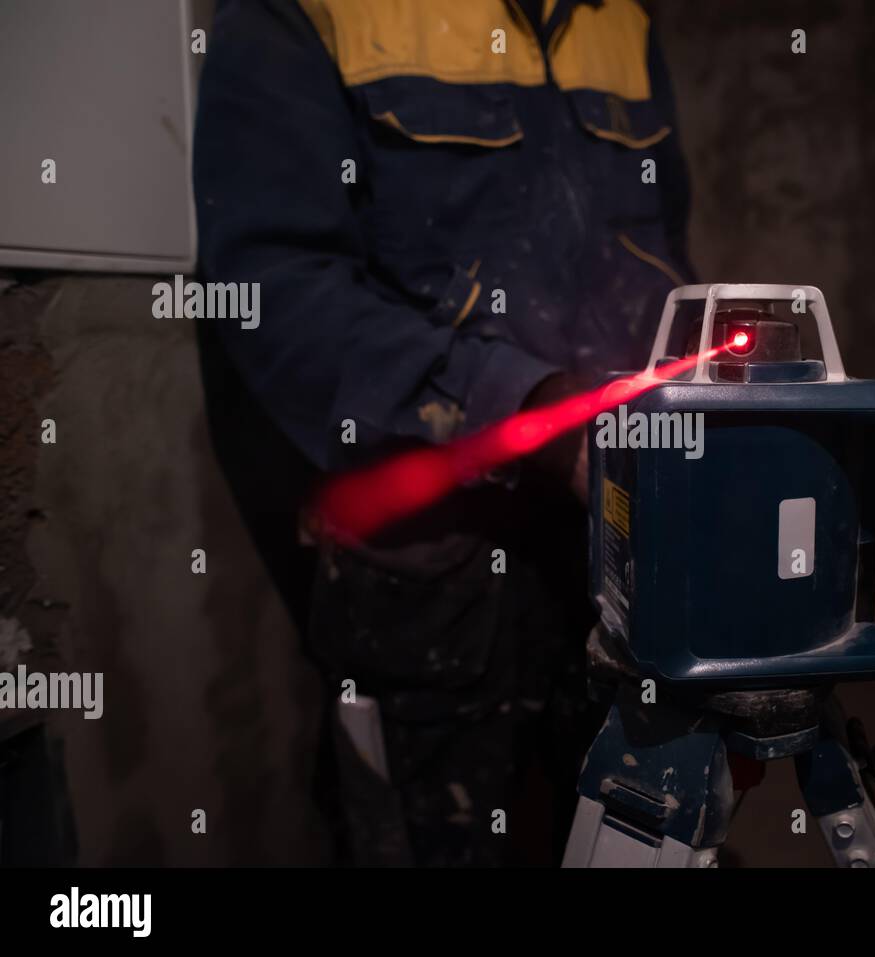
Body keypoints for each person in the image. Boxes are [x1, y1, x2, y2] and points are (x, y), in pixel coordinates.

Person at [192, 0, 693, 865]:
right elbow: (275, 292)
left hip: (620, 542)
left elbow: (663, 251)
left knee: (638, 837)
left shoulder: (621, 17)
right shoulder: (308, 11)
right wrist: (533, 407)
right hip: (435, 572)